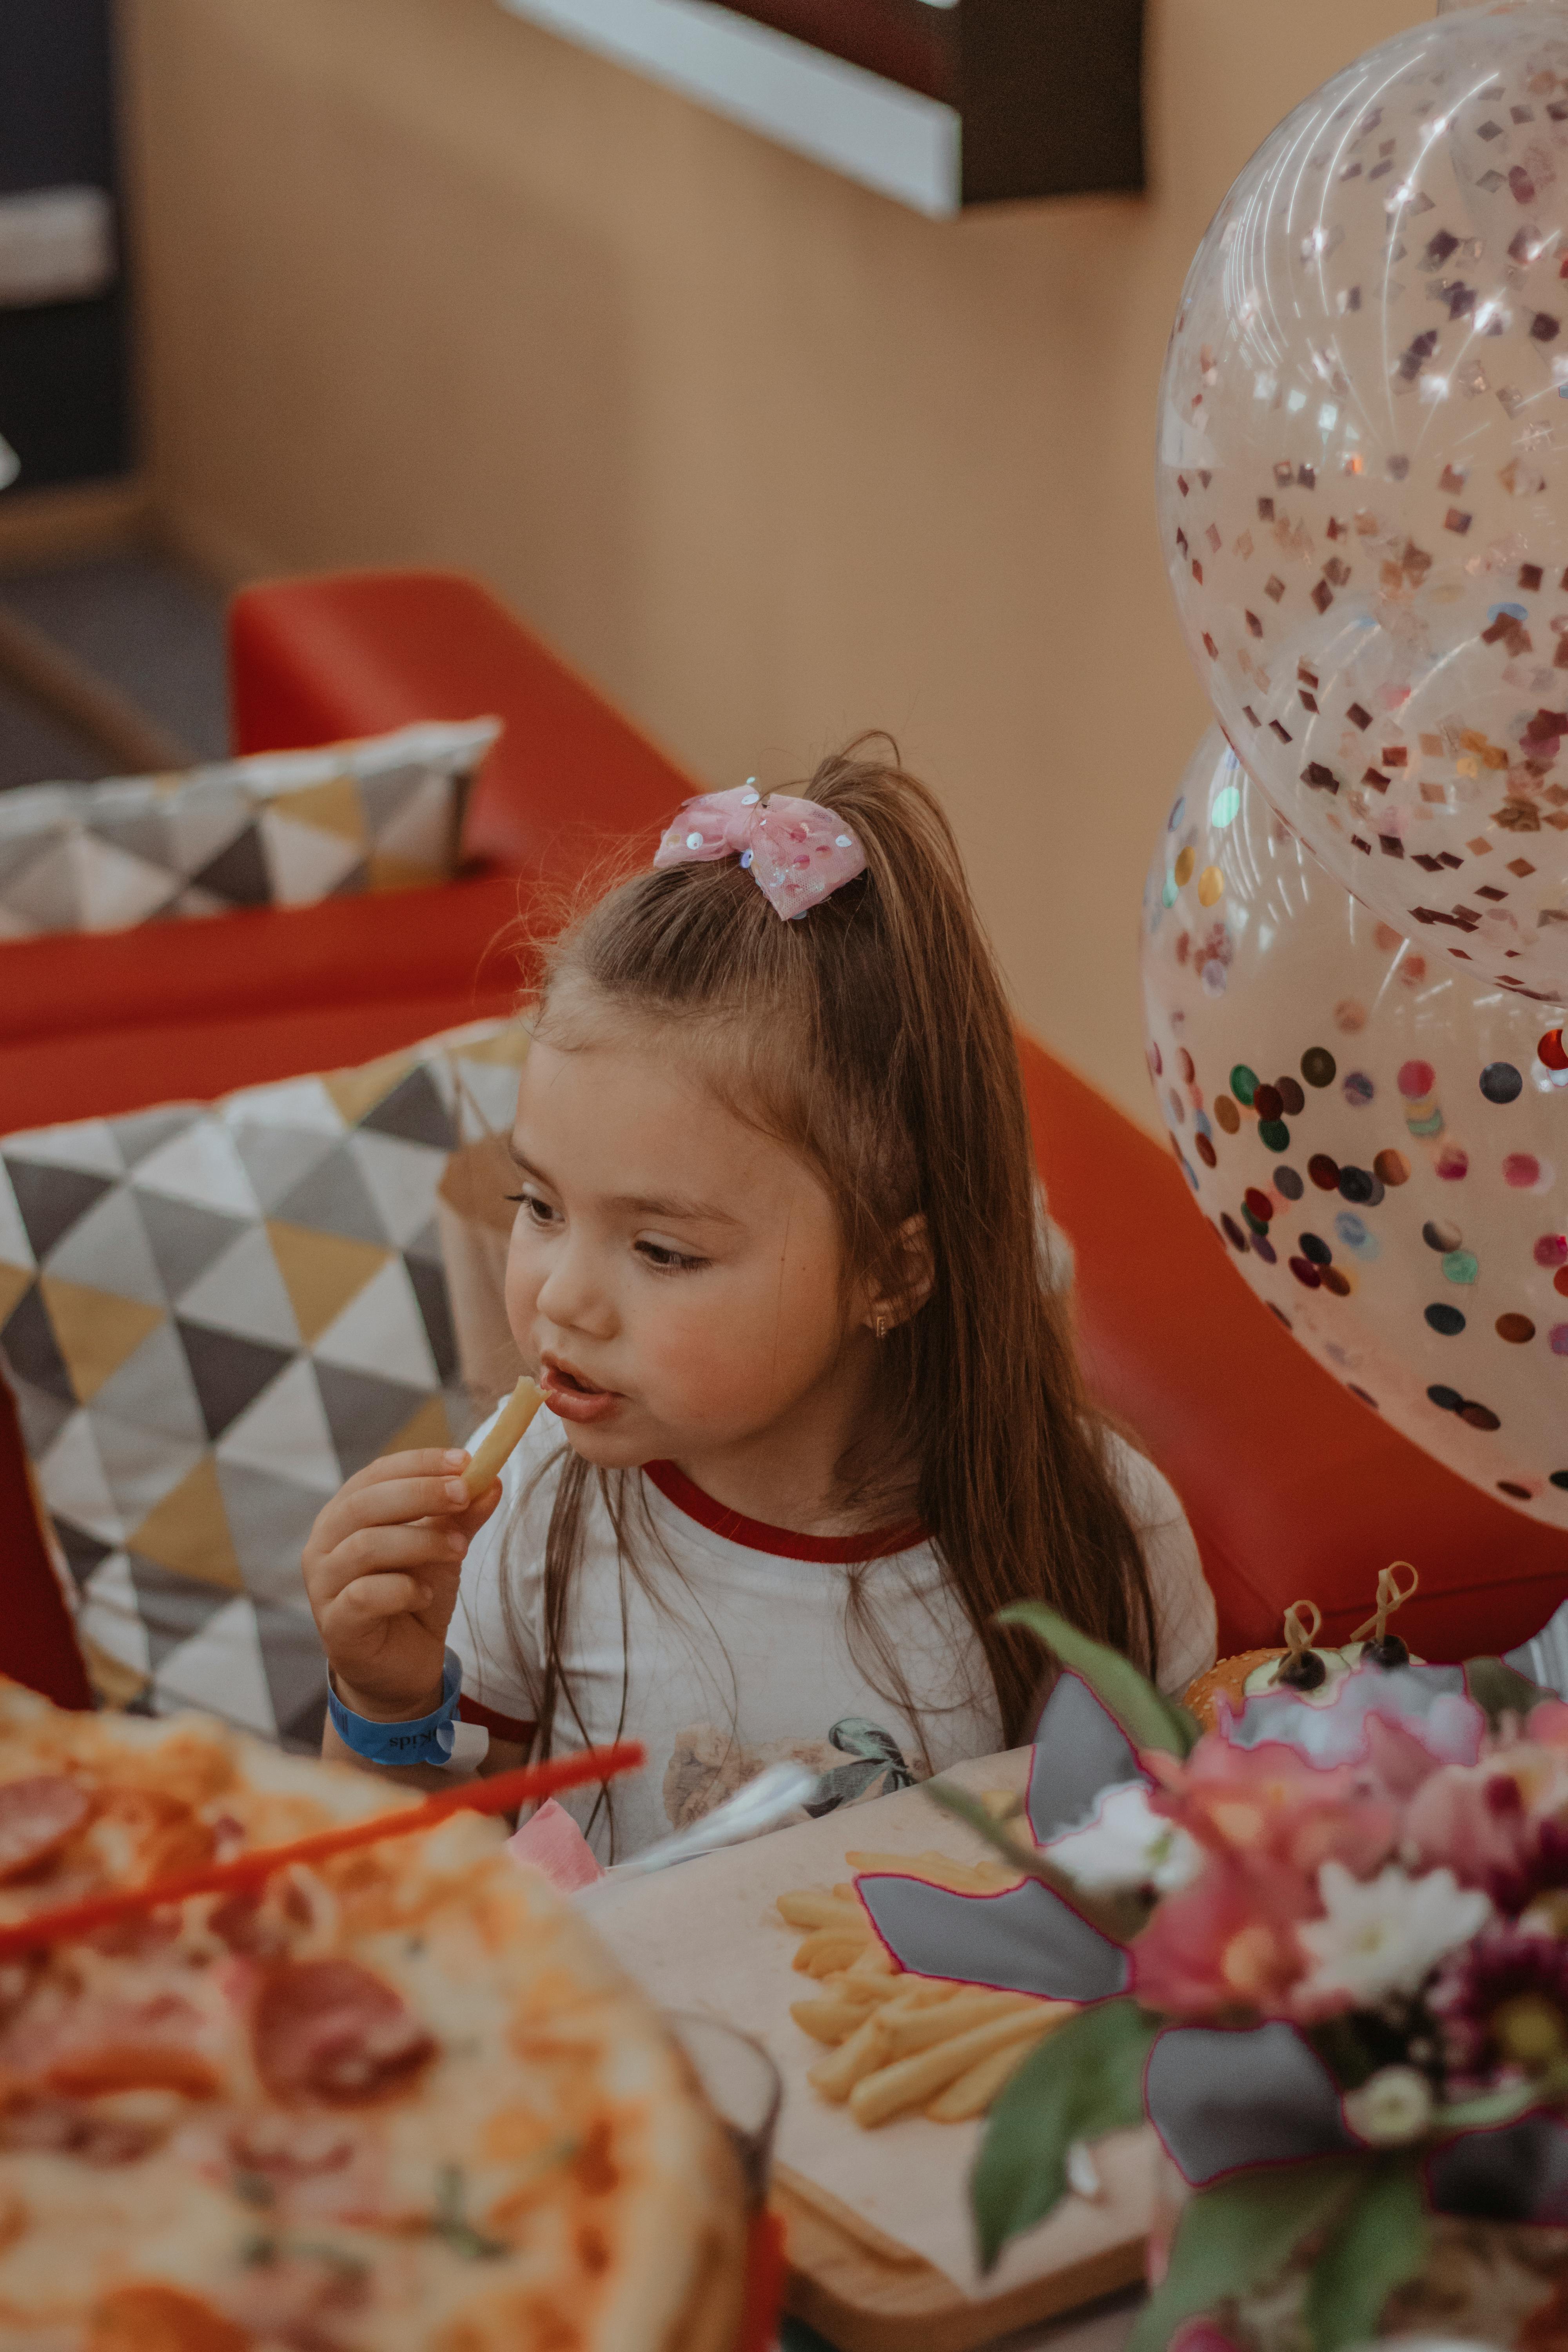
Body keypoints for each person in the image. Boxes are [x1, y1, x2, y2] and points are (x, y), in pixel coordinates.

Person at [302, 742, 1215, 1860]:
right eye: (539, 1206)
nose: (563, 1302)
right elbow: (409, 1902)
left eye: (662, 1250)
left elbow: (1174, 1887)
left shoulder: (1103, 1534)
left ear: (893, 1272)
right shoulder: (532, 1511)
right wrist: (384, 1707)